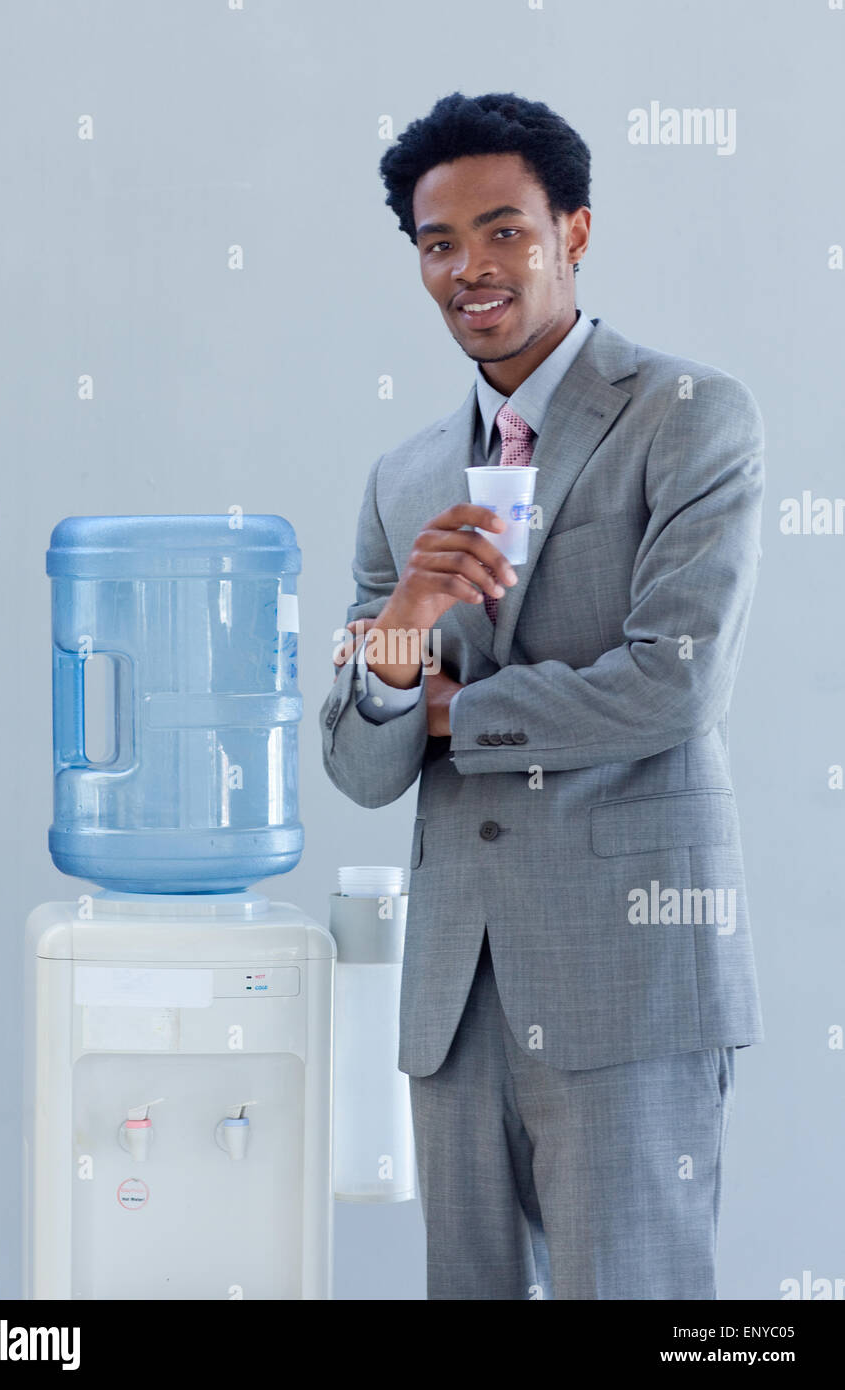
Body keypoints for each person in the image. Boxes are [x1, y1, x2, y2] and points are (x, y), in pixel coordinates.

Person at [320, 92, 764, 1300]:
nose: (469, 267)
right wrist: (403, 637)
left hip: (629, 973)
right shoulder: (402, 476)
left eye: (502, 230)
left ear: (573, 230)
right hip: (457, 999)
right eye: (437, 243)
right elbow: (361, 768)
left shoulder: (688, 417)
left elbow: (674, 683)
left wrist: (454, 712)